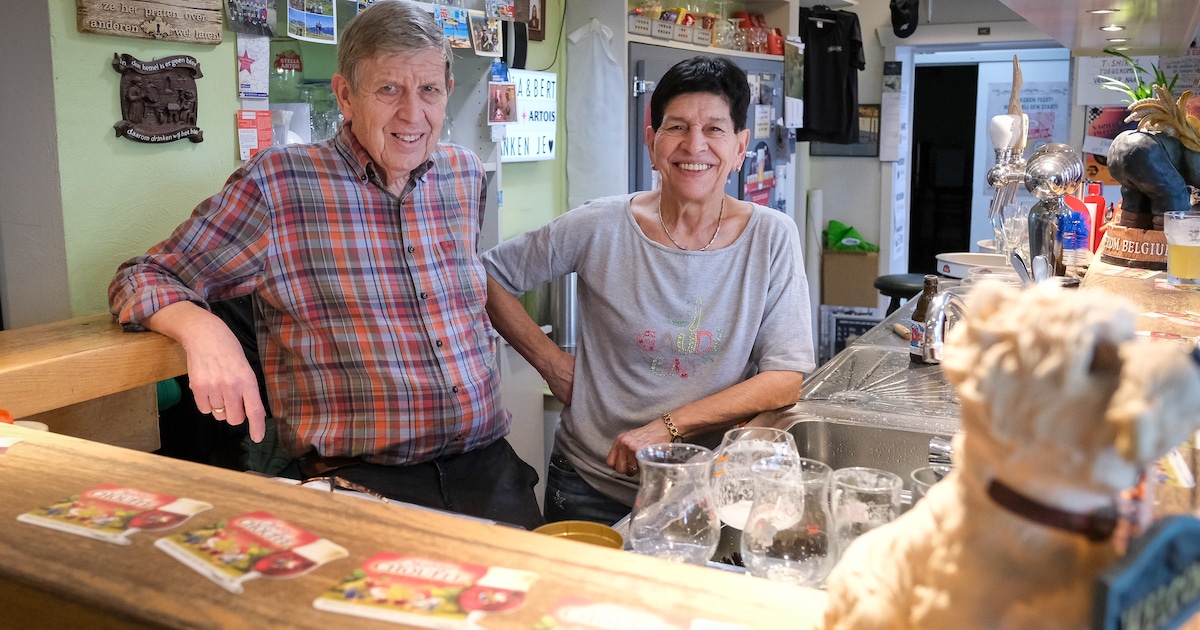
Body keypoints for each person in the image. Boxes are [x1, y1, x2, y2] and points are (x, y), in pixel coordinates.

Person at [108, 1, 544, 530]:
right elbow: (142, 276)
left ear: (448, 91)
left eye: (428, 89)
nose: (412, 114)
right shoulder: (280, 184)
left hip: (489, 470)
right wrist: (202, 328)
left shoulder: (463, 173)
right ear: (345, 95)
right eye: (388, 89)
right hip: (362, 486)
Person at [482, 56, 815, 525]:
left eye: (714, 129)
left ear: (741, 148)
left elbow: (785, 378)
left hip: (705, 491)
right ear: (651, 141)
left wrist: (668, 427)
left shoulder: (771, 237)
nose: (693, 144)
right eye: (676, 126)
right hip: (587, 483)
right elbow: (487, 275)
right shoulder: (600, 224)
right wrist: (552, 362)